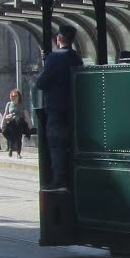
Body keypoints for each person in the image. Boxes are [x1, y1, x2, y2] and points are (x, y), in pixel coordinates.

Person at [35, 23, 84, 189]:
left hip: (56, 109)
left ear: (60, 38)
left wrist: (47, 62)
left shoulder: (55, 58)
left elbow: (41, 83)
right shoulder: (76, 57)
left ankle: (59, 179)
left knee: (57, 145)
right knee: (71, 144)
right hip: (75, 109)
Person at [2, 88, 30, 158]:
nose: (14, 97)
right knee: (10, 136)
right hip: (11, 122)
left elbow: (26, 115)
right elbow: (5, 114)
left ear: (19, 96)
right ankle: (11, 148)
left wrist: (29, 123)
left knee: (19, 138)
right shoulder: (9, 104)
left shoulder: (22, 104)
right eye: (13, 96)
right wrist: (3, 123)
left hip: (19, 123)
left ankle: (18, 153)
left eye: (16, 96)